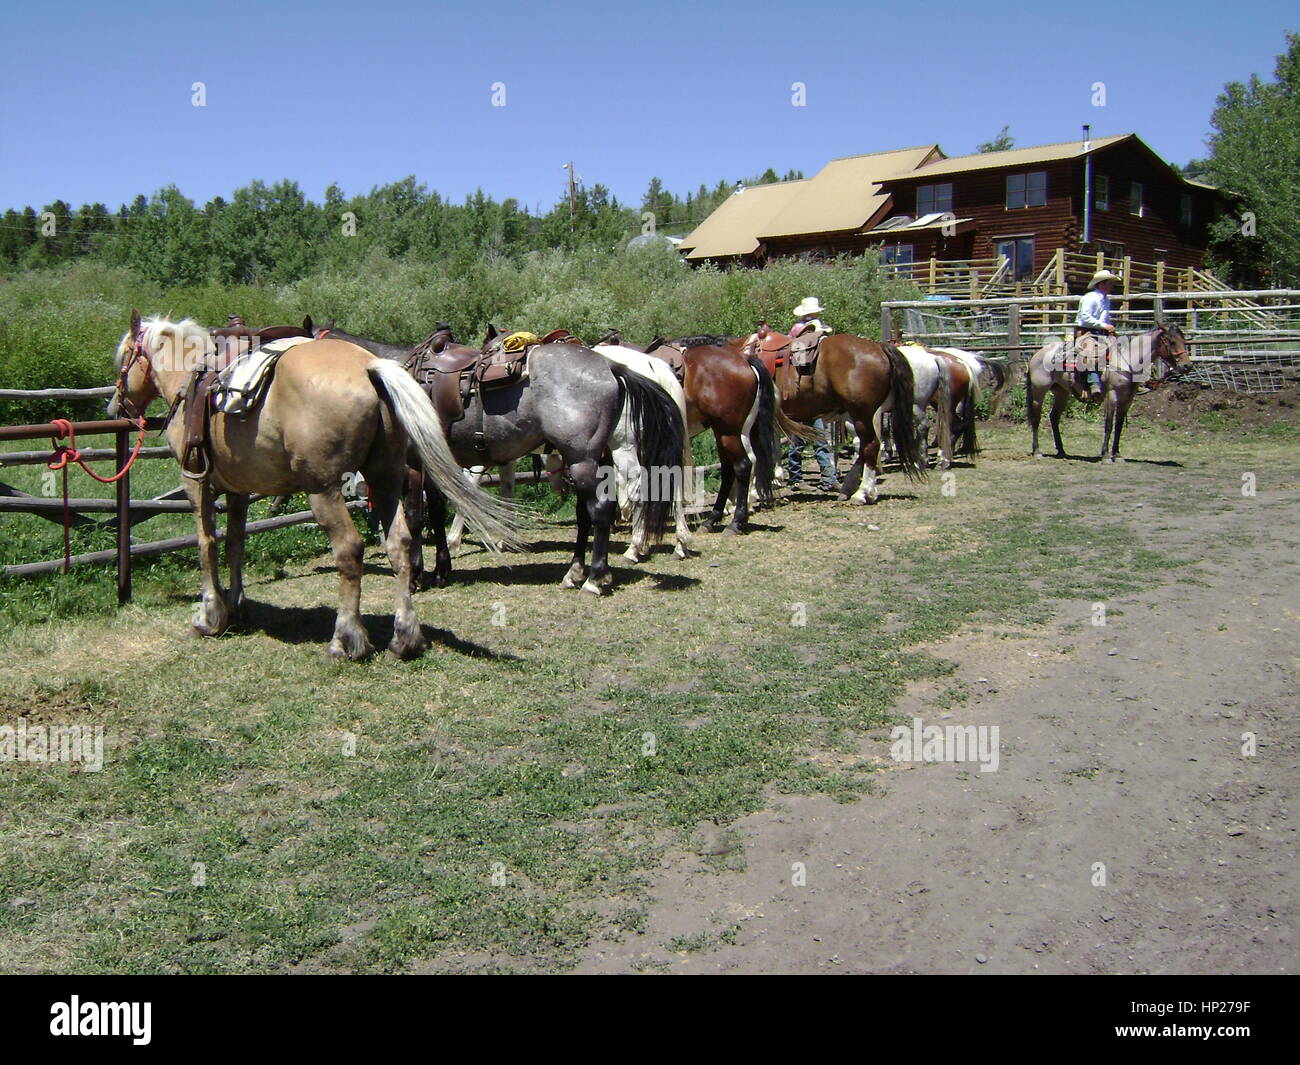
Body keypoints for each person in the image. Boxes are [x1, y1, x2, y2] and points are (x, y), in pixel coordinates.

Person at [785, 298, 839, 492]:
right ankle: (828, 478)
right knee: (820, 441)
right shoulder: (820, 330)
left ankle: (795, 478)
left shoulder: (796, 330)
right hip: (814, 405)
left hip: (801, 404)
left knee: (796, 443)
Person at [1074, 269, 1118, 399]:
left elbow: (1105, 319)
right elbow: (1085, 317)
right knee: (1091, 353)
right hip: (1085, 331)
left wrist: (1109, 329)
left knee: (1120, 348)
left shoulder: (1106, 300)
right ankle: (1094, 384)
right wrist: (1105, 326)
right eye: (1110, 283)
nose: (1112, 286)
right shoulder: (1090, 298)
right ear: (1101, 284)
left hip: (1101, 332)